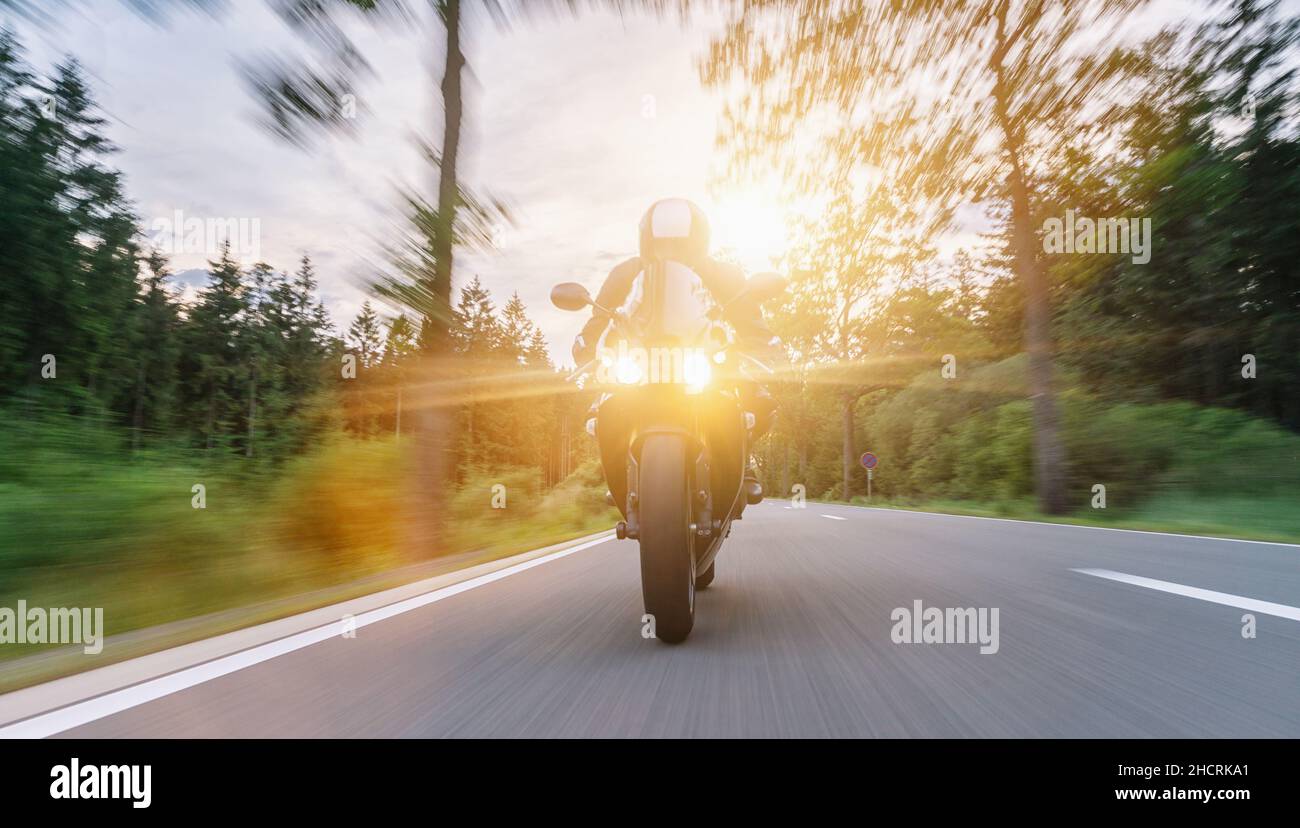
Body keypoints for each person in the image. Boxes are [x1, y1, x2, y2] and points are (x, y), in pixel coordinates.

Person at [572, 198, 783, 503]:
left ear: (698, 247)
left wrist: (764, 345)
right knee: (602, 408)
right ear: (647, 244)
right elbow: (600, 318)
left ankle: (743, 461)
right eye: (662, 245)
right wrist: (586, 346)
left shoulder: (724, 274)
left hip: (705, 357)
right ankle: (621, 470)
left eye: (681, 247)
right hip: (639, 362)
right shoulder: (625, 274)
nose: (670, 253)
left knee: (759, 403)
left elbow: (749, 319)